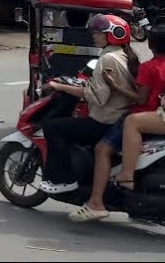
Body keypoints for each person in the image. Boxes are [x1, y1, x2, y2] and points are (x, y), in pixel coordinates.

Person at [71, 25, 165, 221]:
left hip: (145, 114)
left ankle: (97, 201)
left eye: (98, 33)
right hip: (156, 115)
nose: (95, 36)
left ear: (151, 44)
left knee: (102, 148)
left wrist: (115, 86)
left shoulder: (149, 67)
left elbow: (139, 100)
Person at [39, 14, 138, 195]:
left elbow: (96, 96)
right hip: (118, 119)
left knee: (52, 127)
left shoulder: (107, 59)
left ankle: (64, 179)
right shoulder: (121, 55)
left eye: (99, 33)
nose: (94, 36)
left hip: (104, 121)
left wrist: (59, 86)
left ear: (113, 34)